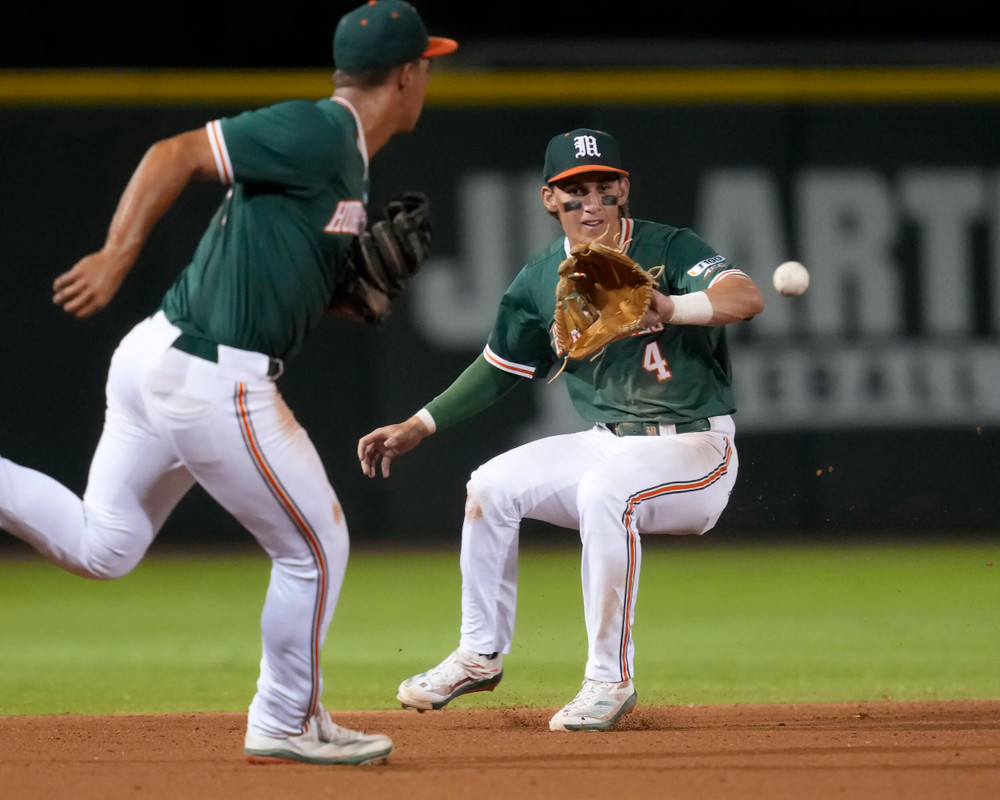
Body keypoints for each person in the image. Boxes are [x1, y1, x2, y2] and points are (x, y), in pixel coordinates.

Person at [0, 1, 456, 766]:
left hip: (161, 357)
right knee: (316, 547)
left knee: (104, 545)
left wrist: (344, 293)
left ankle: (290, 716)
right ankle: (282, 720)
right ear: (407, 74)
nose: (431, 77)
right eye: (429, 64)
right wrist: (116, 255)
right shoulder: (320, 130)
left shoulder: (347, 159)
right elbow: (173, 152)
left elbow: (291, 278)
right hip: (210, 375)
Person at [357, 128, 765, 732]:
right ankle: (479, 654)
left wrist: (673, 307)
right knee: (490, 486)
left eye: (603, 188)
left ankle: (608, 679)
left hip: (695, 446)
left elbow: (744, 296)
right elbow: (499, 368)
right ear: (550, 199)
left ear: (623, 189)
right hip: (609, 441)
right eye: (575, 194)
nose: (591, 204)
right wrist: (420, 424)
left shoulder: (669, 247)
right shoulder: (539, 277)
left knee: (608, 491)